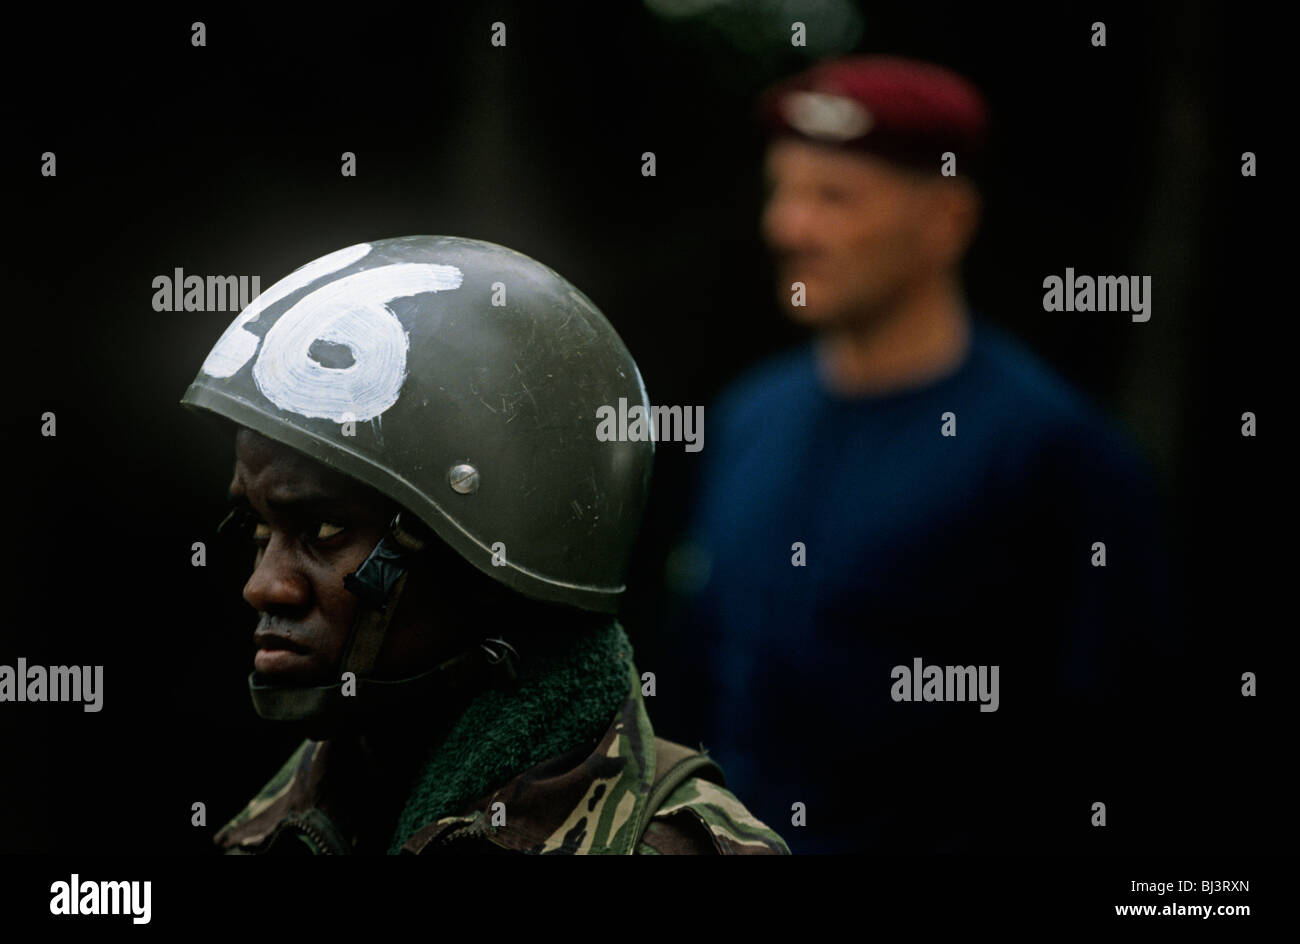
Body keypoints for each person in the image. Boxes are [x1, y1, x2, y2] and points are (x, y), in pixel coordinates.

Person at [673, 57, 1174, 853]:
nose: (788, 228)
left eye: (834, 197)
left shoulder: (1047, 453)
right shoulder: (748, 418)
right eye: (784, 190)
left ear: (945, 221)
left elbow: (1115, 750)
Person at [180, 235, 789, 855]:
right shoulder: (276, 831)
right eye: (259, 529)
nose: (263, 585)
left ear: (486, 555)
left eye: (324, 531)